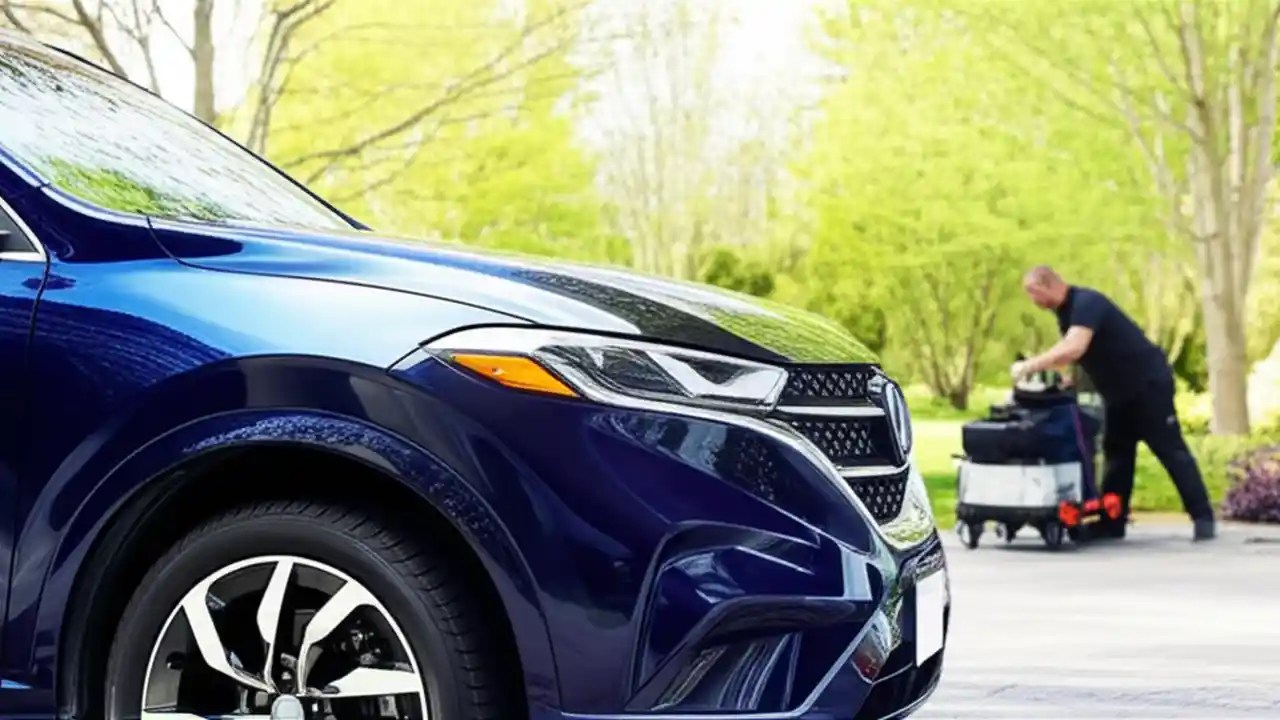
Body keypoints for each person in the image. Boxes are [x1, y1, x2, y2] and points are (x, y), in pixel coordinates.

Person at [1012, 266, 1215, 541]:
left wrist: (1030, 366)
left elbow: (1074, 347)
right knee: (1117, 456)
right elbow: (1078, 356)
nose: (1034, 303)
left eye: (1034, 294)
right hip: (1118, 393)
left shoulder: (1086, 302)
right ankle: (1111, 522)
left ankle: (1203, 517)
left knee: (1170, 450)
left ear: (1048, 285)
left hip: (1148, 386)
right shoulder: (1065, 314)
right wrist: (1068, 381)